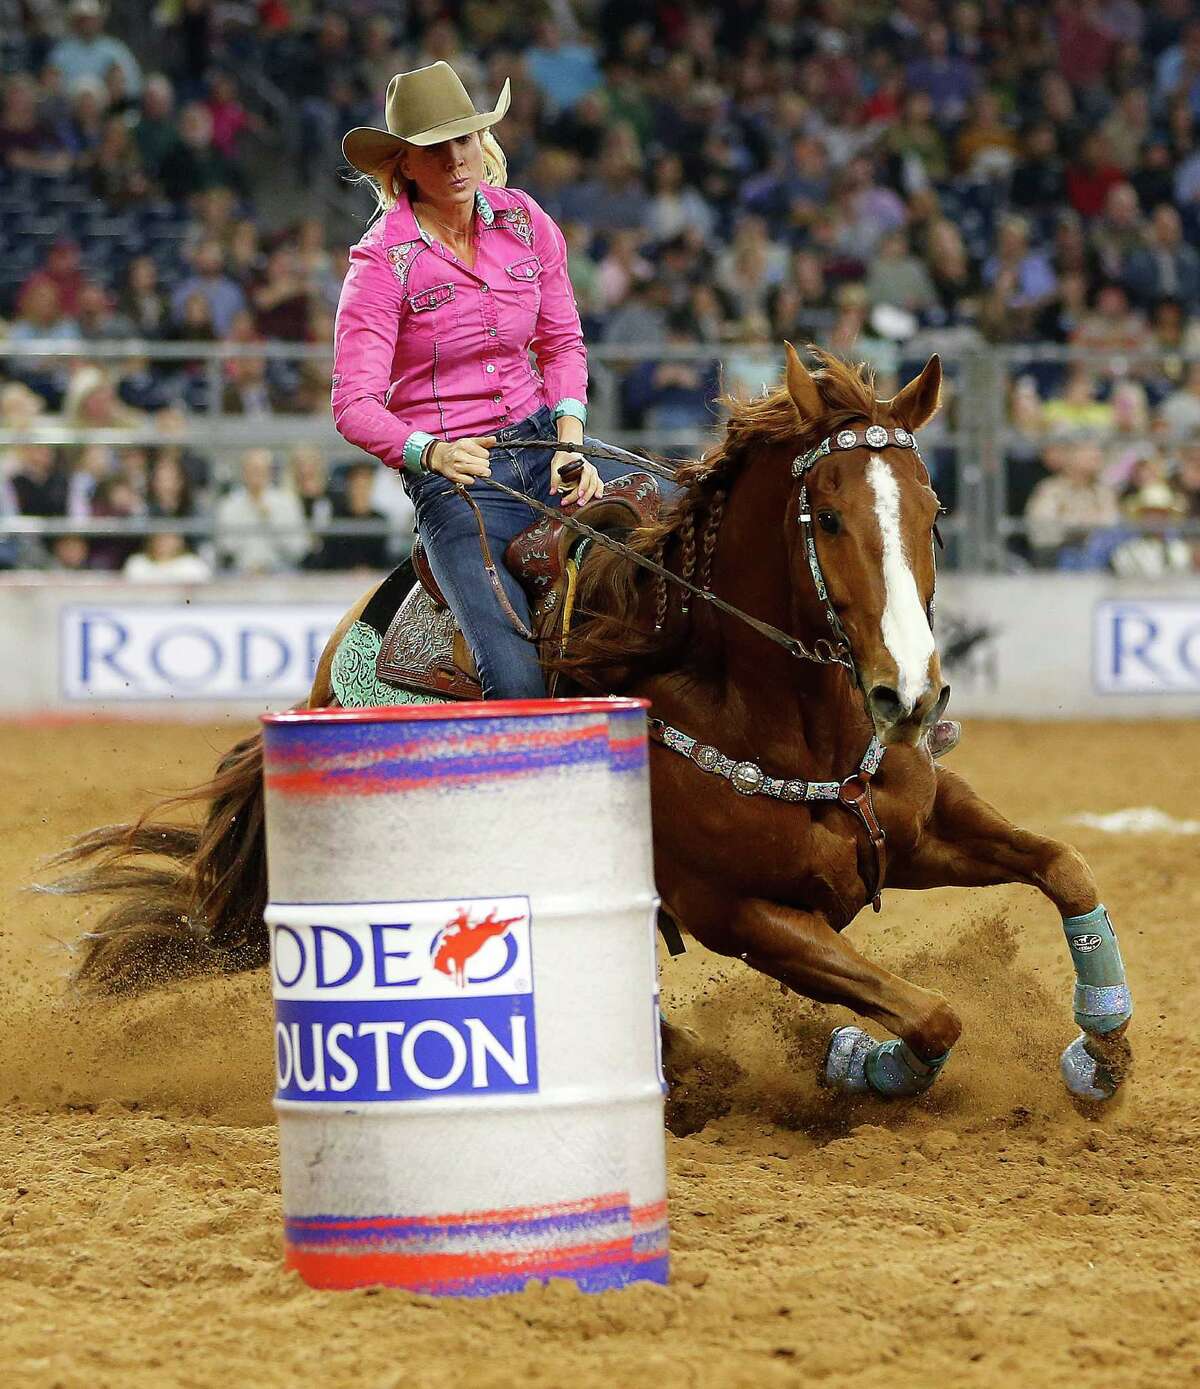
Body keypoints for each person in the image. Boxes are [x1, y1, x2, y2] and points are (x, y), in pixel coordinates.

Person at [332, 61, 666, 700]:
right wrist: (431, 452)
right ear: (405, 164)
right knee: (514, 681)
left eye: (464, 139)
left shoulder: (527, 221)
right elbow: (352, 402)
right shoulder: (380, 262)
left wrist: (570, 442)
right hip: (457, 485)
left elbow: (561, 344)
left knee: (691, 522)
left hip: (545, 446)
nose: (456, 160)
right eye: (435, 148)